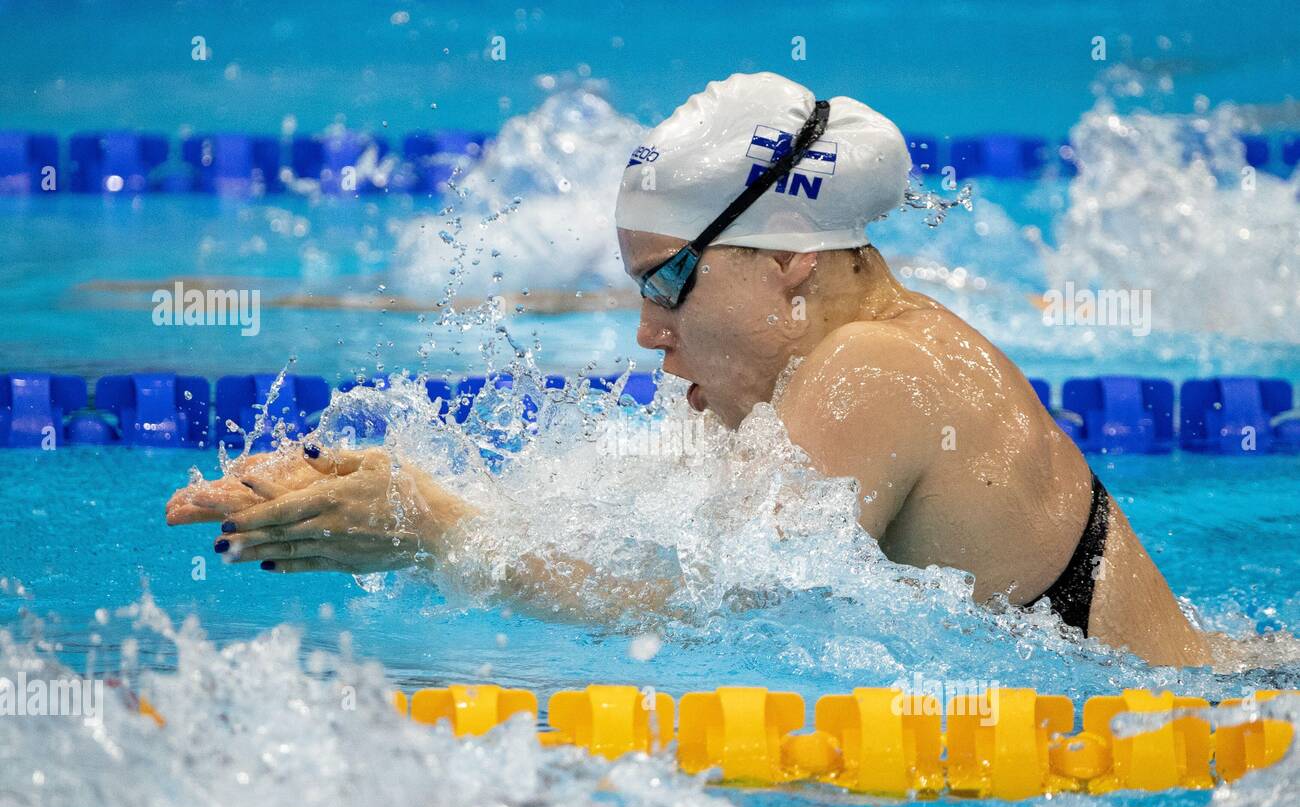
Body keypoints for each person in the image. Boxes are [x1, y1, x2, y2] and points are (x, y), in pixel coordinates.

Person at [166, 73, 1209, 667]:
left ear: (790, 255)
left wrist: (436, 533)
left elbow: (698, 603)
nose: (645, 335)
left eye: (666, 282)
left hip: (1180, 746)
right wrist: (376, 494)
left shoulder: (875, 371)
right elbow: (643, 533)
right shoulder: (826, 368)